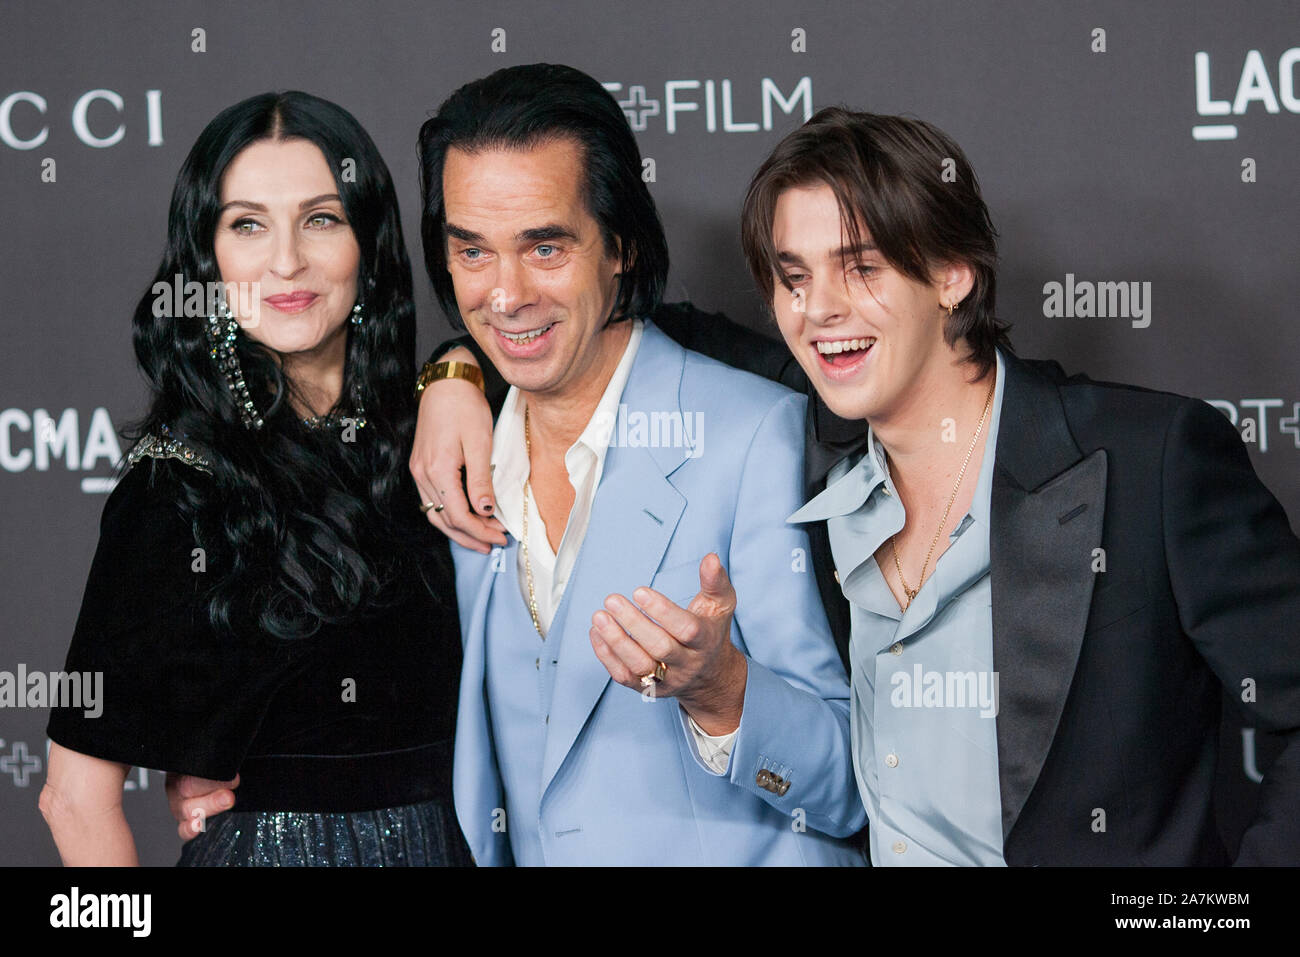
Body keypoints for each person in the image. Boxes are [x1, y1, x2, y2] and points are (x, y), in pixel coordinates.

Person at [408, 106, 1300, 865]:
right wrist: (455, 371)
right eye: (792, 277)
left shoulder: (1145, 459)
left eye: (861, 265)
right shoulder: (809, 483)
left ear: (953, 273)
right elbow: (575, 327)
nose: (819, 308)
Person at [40, 91, 471, 866]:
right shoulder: (174, 488)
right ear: (206, 261)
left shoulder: (441, 439)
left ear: (368, 244)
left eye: (321, 218)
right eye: (248, 224)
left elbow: (624, 331)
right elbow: (72, 799)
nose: (286, 261)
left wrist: (460, 364)